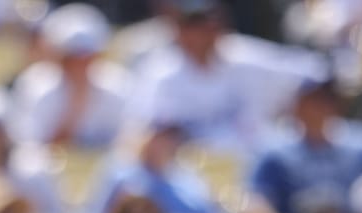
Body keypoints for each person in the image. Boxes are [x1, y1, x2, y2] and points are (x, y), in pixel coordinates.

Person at [126, 0, 318, 154]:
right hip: (188, 173)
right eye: (192, 25)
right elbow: (140, 131)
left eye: (207, 23)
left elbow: (313, 72)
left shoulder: (245, 56)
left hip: (252, 166)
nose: (201, 32)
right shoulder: (160, 73)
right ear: (178, 30)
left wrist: (294, 110)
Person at [243, 74, 362, 213]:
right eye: (314, 99)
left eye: (328, 98)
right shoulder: (273, 151)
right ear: (297, 104)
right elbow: (256, 200)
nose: (323, 106)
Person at [10, 3, 132, 150]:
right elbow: (31, 148)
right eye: (71, 58)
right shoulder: (36, 86)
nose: (79, 66)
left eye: (87, 57)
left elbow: (128, 146)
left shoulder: (118, 85)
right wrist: (75, 108)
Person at [88, 120, 219, 213]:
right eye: (159, 136)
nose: (164, 143)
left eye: (170, 137)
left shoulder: (189, 180)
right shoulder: (119, 175)